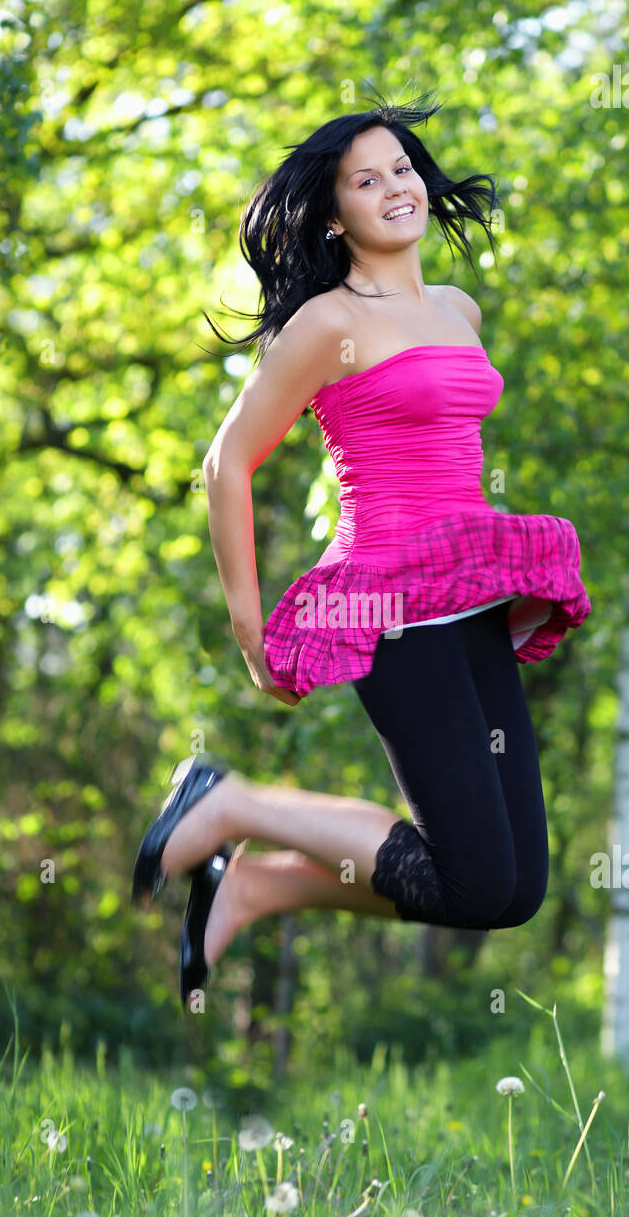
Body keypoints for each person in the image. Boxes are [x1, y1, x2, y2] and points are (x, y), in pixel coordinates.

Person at [131, 91, 591, 1006]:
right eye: (365, 180)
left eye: (402, 169)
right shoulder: (328, 324)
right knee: (470, 877)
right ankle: (231, 804)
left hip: (471, 596)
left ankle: (256, 882)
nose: (394, 189)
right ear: (335, 216)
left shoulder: (458, 309)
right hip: (383, 598)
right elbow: (227, 464)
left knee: (510, 892)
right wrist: (248, 622)